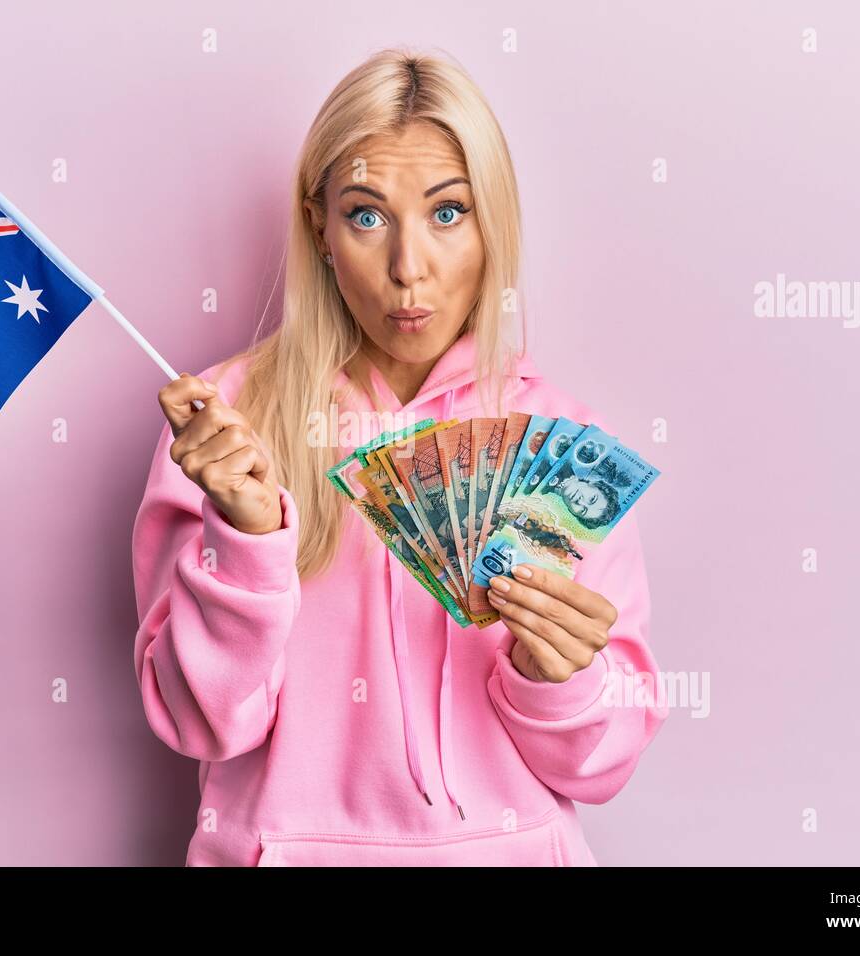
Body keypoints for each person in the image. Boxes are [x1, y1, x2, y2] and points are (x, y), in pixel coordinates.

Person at [131, 47, 668, 866]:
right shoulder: (225, 427)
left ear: (493, 225)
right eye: (367, 215)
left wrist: (553, 674)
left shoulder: (563, 443)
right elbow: (203, 720)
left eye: (447, 213)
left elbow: (605, 762)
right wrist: (243, 541)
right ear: (320, 227)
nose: (407, 270)